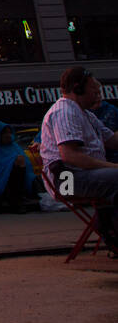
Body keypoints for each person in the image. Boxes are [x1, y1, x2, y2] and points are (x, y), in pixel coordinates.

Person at [38, 66, 118, 252]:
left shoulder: (86, 114)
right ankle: (110, 229)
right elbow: (70, 156)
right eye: (93, 89)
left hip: (76, 176)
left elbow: (113, 140)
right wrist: (113, 167)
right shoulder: (65, 112)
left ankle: (108, 227)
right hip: (66, 181)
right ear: (78, 88)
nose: (98, 94)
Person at [0, 119, 35, 212]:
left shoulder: (14, 146)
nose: (8, 135)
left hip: (16, 177)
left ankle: (18, 198)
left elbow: (27, 164)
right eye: (4, 133)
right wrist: (8, 165)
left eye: (9, 132)